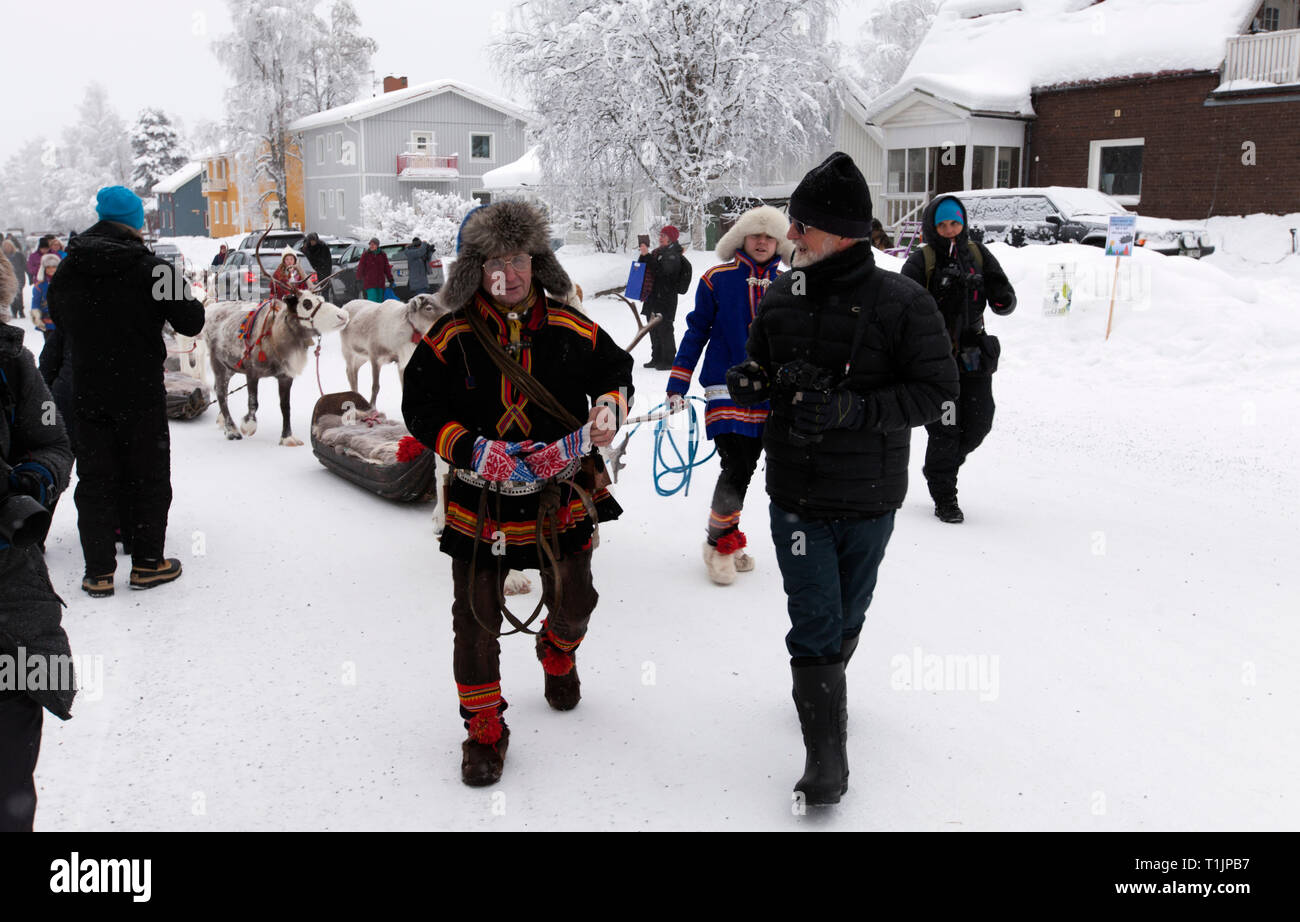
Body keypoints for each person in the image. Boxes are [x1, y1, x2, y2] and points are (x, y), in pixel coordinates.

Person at [727, 152, 959, 806]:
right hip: (795, 492)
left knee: (848, 611)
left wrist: (856, 409)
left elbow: (941, 394)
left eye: (802, 225)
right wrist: (756, 381)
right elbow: (761, 366)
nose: (791, 236)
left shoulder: (903, 302)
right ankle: (826, 757)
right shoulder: (780, 294)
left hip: (870, 496)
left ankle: (825, 686)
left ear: (841, 232)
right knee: (816, 616)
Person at [402, 201, 633, 787]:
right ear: (475, 269)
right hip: (480, 499)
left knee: (577, 598)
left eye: (522, 258)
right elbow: (420, 409)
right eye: (497, 259)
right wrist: (469, 448)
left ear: (538, 263)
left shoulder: (572, 328)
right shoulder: (449, 337)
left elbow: (616, 371)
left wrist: (609, 404)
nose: (512, 271)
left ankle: (558, 649)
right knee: (475, 619)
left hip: (562, 491)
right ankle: (483, 727)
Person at [47, 185, 206, 597]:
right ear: (136, 222)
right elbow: (191, 322)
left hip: (88, 390)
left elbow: (59, 321)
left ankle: (98, 572)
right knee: (147, 475)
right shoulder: (154, 269)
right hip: (139, 390)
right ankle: (148, 564)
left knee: (95, 478)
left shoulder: (69, 268)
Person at [665, 205, 791, 585]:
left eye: (770, 237)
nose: (763, 242)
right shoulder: (715, 279)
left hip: (774, 394)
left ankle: (728, 538)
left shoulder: (790, 283)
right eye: (756, 235)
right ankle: (717, 543)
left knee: (752, 469)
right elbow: (696, 331)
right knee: (736, 465)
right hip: (725, 388)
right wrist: (678, 381)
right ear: (742, 238)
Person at [0, 265, 76, 832]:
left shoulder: (10, 365)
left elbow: (52, 441)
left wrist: (30, 483)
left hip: (9, 602)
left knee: (7, 780)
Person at [900, 194, 1016, 524]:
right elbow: (902, 305)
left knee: (979, 422)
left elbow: (1003, 294)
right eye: (942, 224)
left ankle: (940, 467)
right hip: (937, 359)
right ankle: (945, 496)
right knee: (946, 428)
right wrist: (941, 297)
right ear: (932, 227)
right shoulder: (923, 260)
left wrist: (1001, 297)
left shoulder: (978, 254)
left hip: (974, 354)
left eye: (955, 223)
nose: (949, 230)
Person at [637, 225, 687, 370]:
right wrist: (644, 254)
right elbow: (645, 266)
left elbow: (662, 273)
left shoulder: (673, 255)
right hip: (653, 296)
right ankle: (656, 357)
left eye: (663, 236)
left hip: (666, 298)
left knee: (664, 328)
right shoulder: (658, 253)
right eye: (660, 235)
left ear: (671, 239)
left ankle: (668, 360)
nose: (660, 238)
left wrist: (647, 256)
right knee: (652, 328)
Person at [30, 254, 60, 337]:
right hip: (47, 320)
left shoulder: (64, 283)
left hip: (62, 319)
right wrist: (36, 316)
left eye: (54, 267)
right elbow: (35, 302)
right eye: (48, 267)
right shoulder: (40, 285)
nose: (51, 269)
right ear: (44, 269)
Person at [357, 238, 394, 302]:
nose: (371, 246)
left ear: (377, 245)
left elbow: (386, 268)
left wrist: (390, 279)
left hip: (380, 283)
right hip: (369, 283)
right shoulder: (365, 255)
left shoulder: (382, 255)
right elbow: (360, 268)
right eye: (370, 244)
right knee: (372, 301)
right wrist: (359, 280)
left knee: (379, 302)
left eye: (373, 244)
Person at [3, 239, 25, 320]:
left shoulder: (18, 255)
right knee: (11, 295)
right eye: (5, 246)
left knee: (19, 294)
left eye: (8, 246)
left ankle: (21, 310)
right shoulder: (3, 256)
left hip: (19, 277)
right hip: (8, 278)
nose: (7, 248)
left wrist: (30, 276)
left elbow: (24, 265)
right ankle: (14, 311)